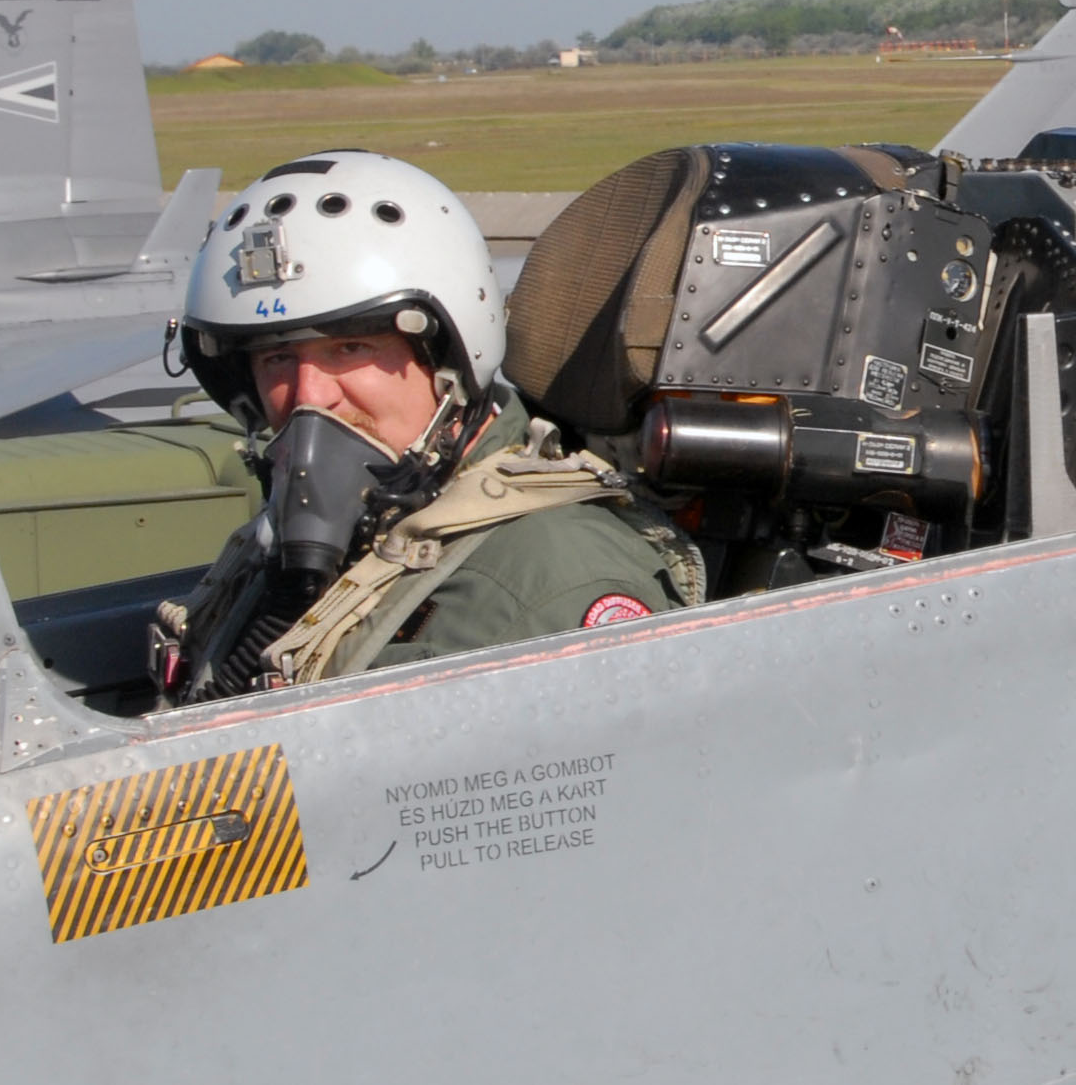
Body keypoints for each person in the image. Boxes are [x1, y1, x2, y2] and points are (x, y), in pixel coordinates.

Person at [153, 151, 700, 704]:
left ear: (448, 361)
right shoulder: (307, 544)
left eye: (350, 347)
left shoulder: (554, 585)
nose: (309, 397)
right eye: (276, 359)